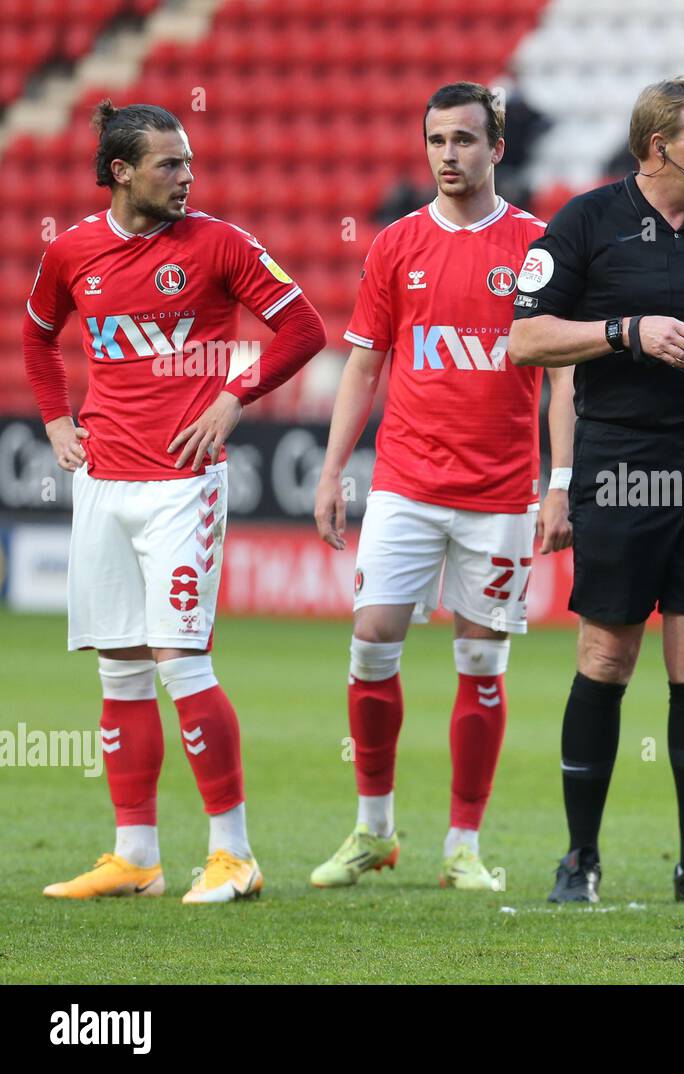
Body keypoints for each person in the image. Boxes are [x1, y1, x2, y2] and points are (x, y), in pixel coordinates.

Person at [24, 100, 326, 902]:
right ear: (121, 172)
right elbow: (37, 334)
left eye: (189, 162)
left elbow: (302, 327)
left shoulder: (220, 244)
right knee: (120, 672)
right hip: (102, 483)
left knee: (181, 662)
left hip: (183, 487)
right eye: (170, 164)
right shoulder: (74, 252)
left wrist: (234, 395)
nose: (187, 176)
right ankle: (137, 856)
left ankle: (235, 853)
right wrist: (57, 417)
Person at [508, 76, 684, 905]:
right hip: (621, 463)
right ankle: (579, 859)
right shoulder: (585, 221)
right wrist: (624, 331)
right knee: (606, 657)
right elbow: (525, 338)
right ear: (658, 146)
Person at [311, 82, 574, 891]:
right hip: (405, 481)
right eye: (436, 141)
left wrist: (558, 481)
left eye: (464, 139)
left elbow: (564, 373)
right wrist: (332, 470)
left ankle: (463, 844)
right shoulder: (395, 245)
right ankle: (374, 830)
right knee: (372, 636)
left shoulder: (537, 245)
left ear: (497, 147)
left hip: (498, 492)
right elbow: (364, 362)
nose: (449, 155)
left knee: (480, 663)